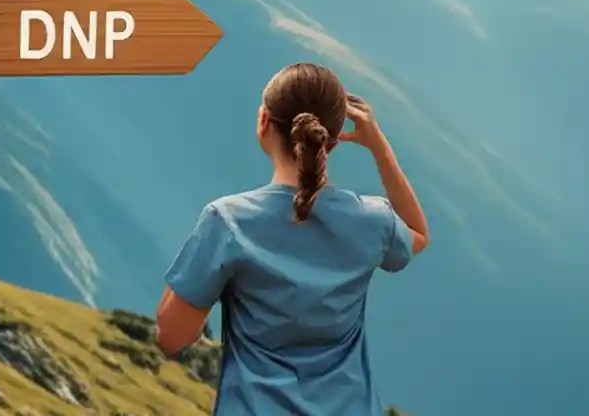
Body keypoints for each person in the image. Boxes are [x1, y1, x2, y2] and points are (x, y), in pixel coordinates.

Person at [155, 62, 429, 416]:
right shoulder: (373, 220)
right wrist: (378, 146)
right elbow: (417, 233)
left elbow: (171, 337)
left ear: (263, 122)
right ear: (332, 139)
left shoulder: (227, 222)